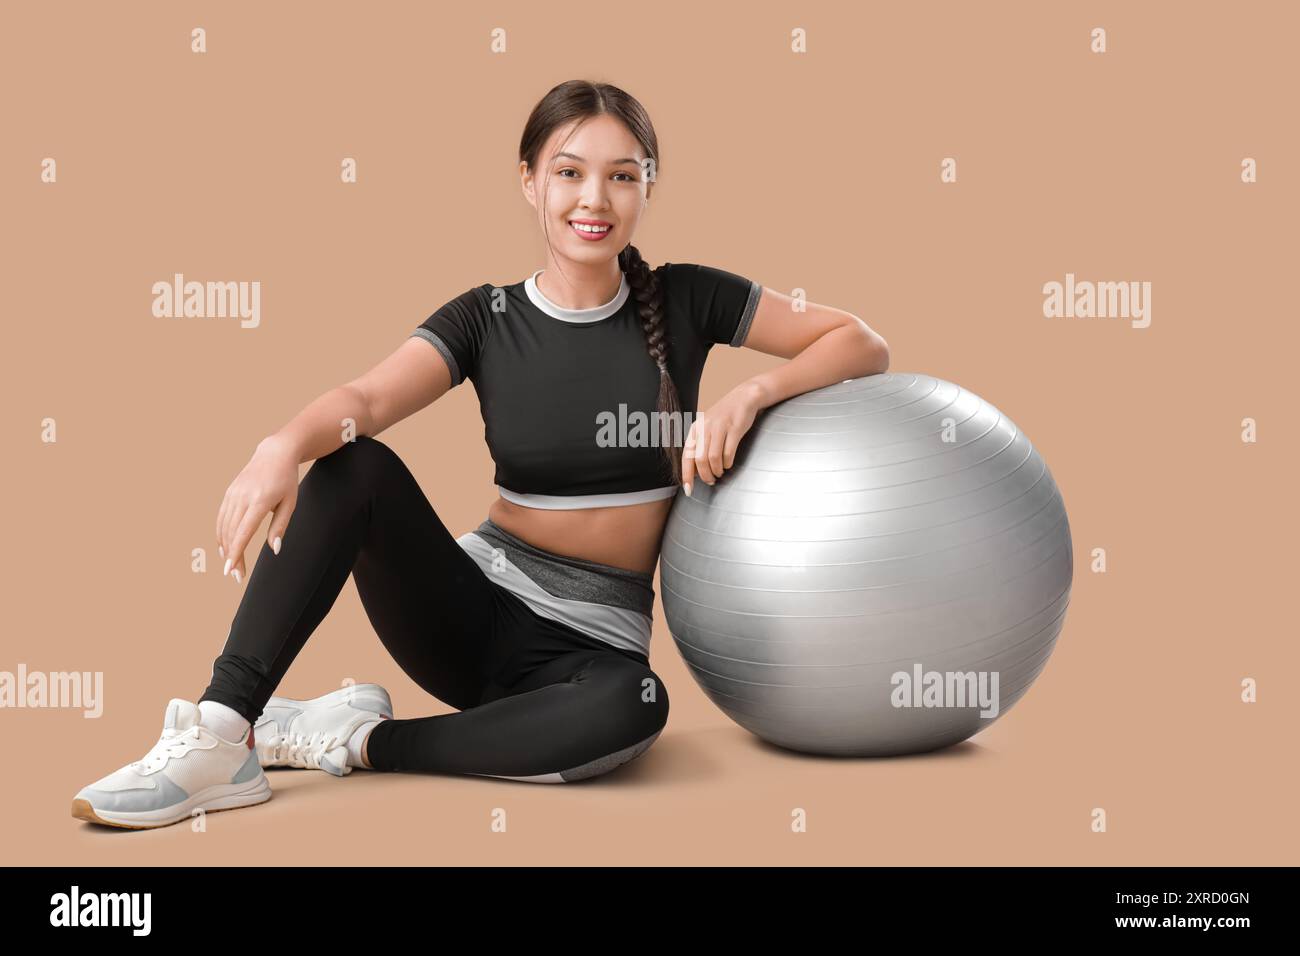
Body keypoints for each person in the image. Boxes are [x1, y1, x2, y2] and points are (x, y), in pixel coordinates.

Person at [72, 79, 890, 829]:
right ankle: (222, 732)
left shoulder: (689, 296)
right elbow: (364, 402)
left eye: (621, 176)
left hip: (594, 650)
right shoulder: (486, 318)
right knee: (354, 465)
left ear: (648, 185)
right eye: (568, 173)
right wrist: (277, 446)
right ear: (529, 180)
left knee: (636, 710)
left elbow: (859, 341)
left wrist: (750, 395)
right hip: (469, 615)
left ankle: (352, 739)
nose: (593, 199)